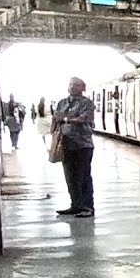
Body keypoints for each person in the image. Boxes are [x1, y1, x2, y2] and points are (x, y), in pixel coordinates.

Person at [53, 77, 96, 218]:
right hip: (65, 144)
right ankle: (75, 205)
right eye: (70, 84)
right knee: (70, 177)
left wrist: (65, 119)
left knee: (83, 176)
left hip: (83, 145)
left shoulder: (87, 103)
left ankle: (87, 207)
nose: (72, 87)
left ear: (82, 88)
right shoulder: (62, 103)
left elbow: (84, 119)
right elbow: (56, 117)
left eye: (76, 85)